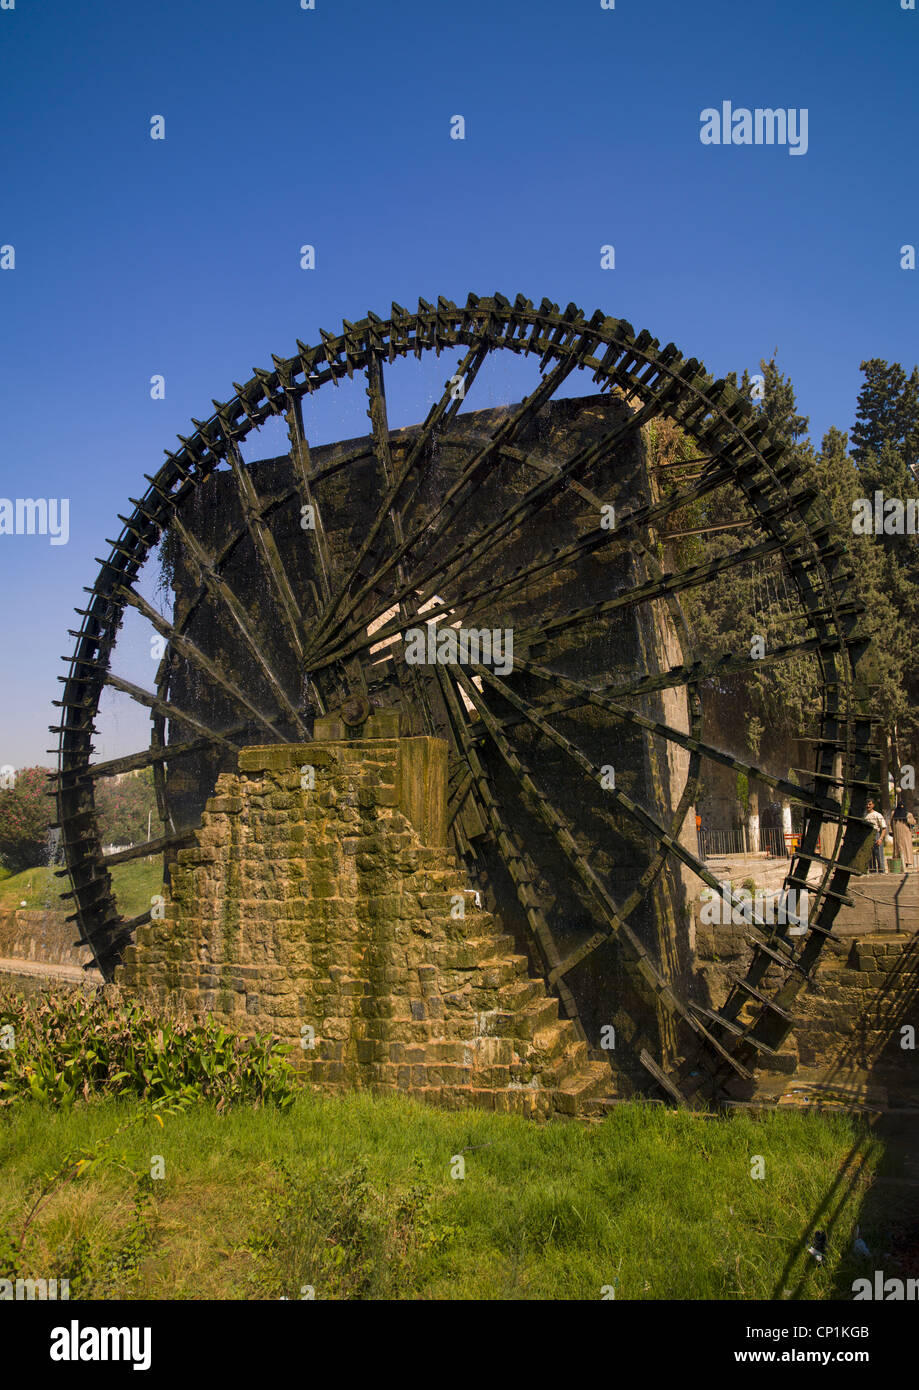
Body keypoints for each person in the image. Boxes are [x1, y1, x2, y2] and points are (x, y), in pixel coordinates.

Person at [890, 798, 916, 871]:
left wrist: (907, 819)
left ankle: (908, 862)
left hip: (906, 834)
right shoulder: (893, 813)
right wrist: (891, 831)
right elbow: (890, 823)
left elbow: (913, 822)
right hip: (897, 834)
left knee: (906, 847)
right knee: (897, 848)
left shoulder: (908, 814)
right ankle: (898, 862)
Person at [865, 798, 888, 873]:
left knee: (879, 856)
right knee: (870, 856)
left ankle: (882, 871)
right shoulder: (864, 815)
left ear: (873, 805)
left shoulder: (877, 815)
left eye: (870, 804)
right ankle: (872, 872)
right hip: (867, 836)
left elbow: (884, 828)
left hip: (876, 835)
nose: (868, 806)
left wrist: (880, 839)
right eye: (867, 804)